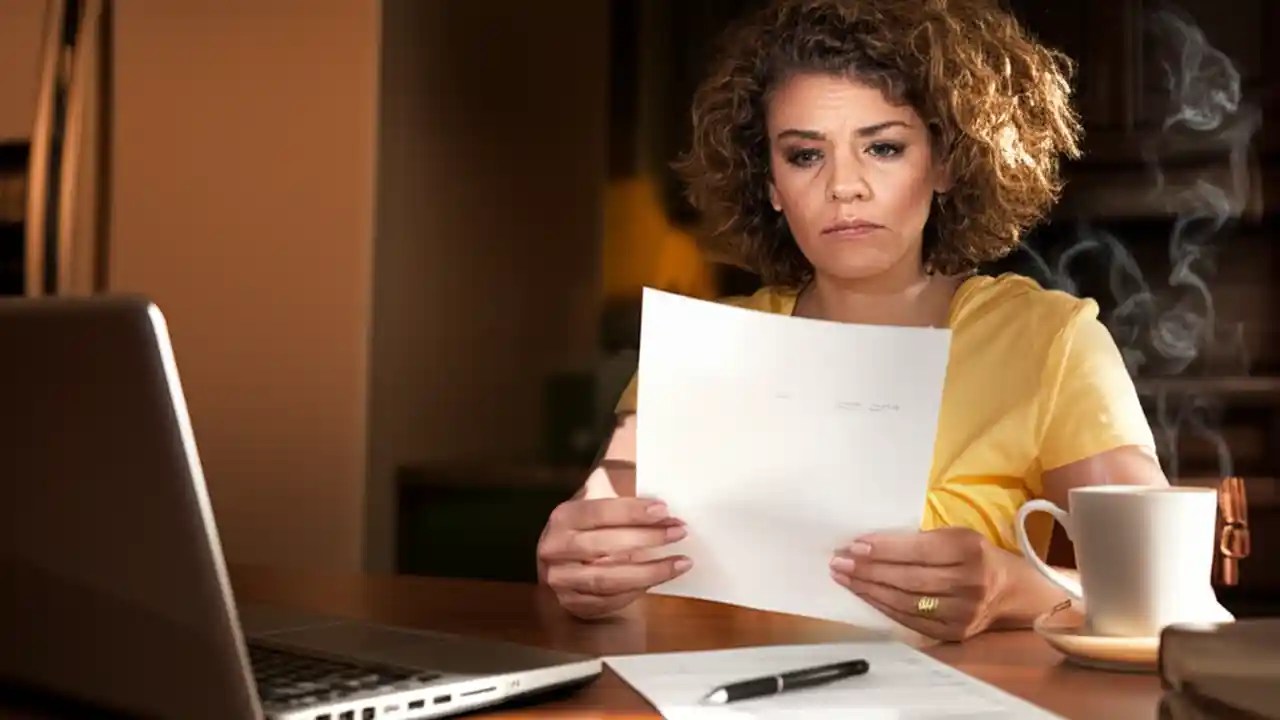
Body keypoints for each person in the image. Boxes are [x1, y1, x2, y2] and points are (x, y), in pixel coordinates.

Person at [536, 0, 1166, 642]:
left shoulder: (1043, 341)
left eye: (884, 147)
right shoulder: (708, 350)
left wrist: (1009, 590)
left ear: (946, 162)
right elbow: (598, 542)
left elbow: (1163, 595)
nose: (845, 186)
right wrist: (580, 568)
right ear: (772, 184)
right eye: (806, 156)